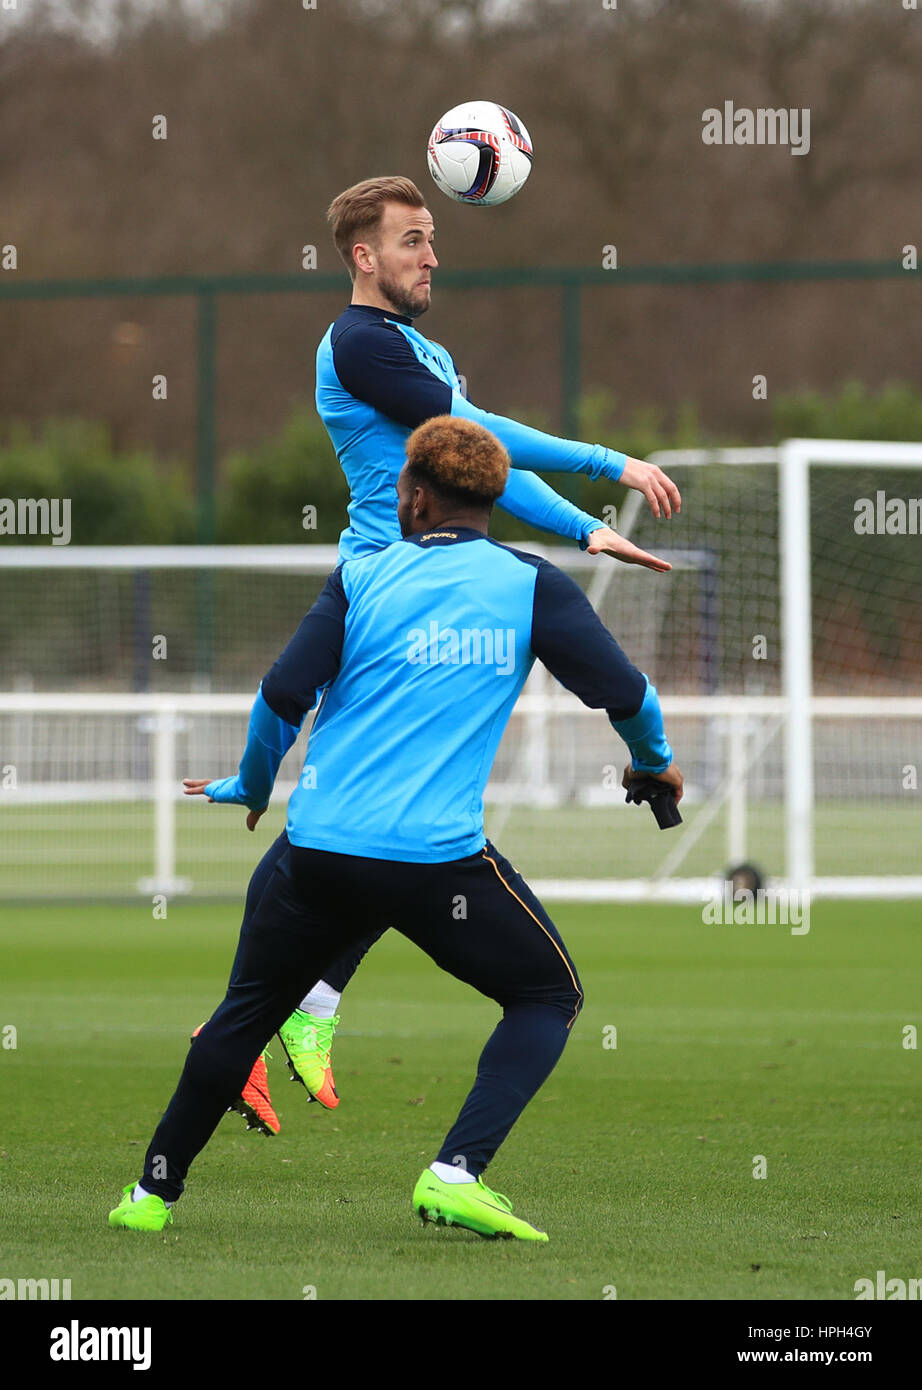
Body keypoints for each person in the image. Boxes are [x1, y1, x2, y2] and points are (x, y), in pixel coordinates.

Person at [109, 415, 682, 1241]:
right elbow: (628, 696)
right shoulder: (531, 586)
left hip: (316, 852)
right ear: (492, 503)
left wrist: (254, 783)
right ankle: (456, 1172)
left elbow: (281, 695)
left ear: (411, 498)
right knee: (547, 995)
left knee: (243, 1014)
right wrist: (653, 763)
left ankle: (150, 1196)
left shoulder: (362, 575)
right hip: (436, 868)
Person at [229, 174, 682, 1128]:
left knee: (383, 816)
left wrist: (586, 532)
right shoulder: (357, 344)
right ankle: (255, 1026)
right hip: (388, 590)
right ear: (362, 256)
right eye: (412, 240)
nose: (432, 254)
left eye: (434, 238)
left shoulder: (411, 344)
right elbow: (484, 443)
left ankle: (285, 1014)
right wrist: (608, 466)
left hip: (432, 583)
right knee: (388, 821)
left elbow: (481, 473)